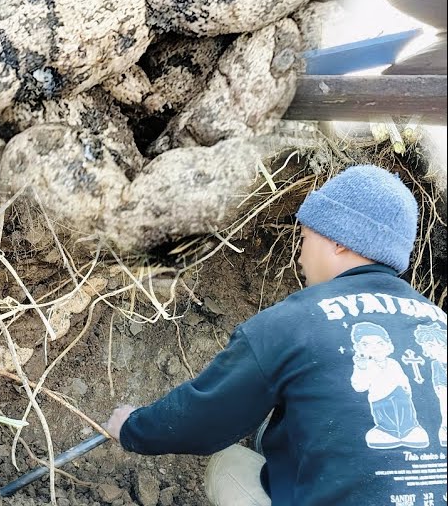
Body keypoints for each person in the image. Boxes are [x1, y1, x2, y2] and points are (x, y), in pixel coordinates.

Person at [102, 165, 448, 506]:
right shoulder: (439, 322)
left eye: (304, 238)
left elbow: (205, 419)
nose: (299, 256)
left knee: (229, 463)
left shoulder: (294, 320)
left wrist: (133, 428)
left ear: (340, 242)